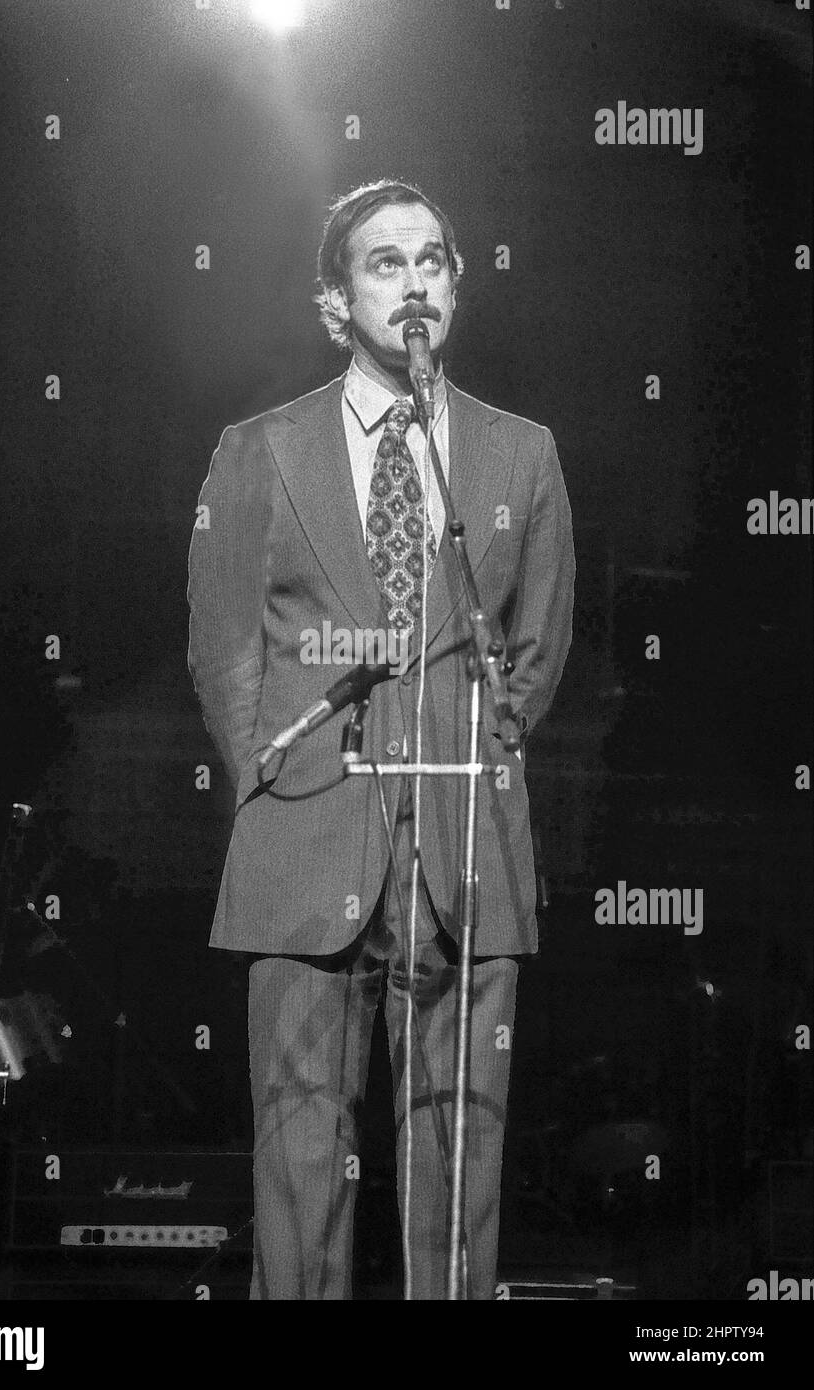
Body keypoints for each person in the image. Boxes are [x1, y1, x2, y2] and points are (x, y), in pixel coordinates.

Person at [187, 178, 575, 1299]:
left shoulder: (519, 456)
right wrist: (275, 773)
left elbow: (535, 649)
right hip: (306, 839)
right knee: (301, 1176)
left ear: (455, 285)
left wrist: (475, 752)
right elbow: (225, 650)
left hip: (466, 848)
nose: (412, 282)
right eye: (382, 262)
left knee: (459, 1183)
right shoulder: (258, 451)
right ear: (335, 301)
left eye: (430, 261)